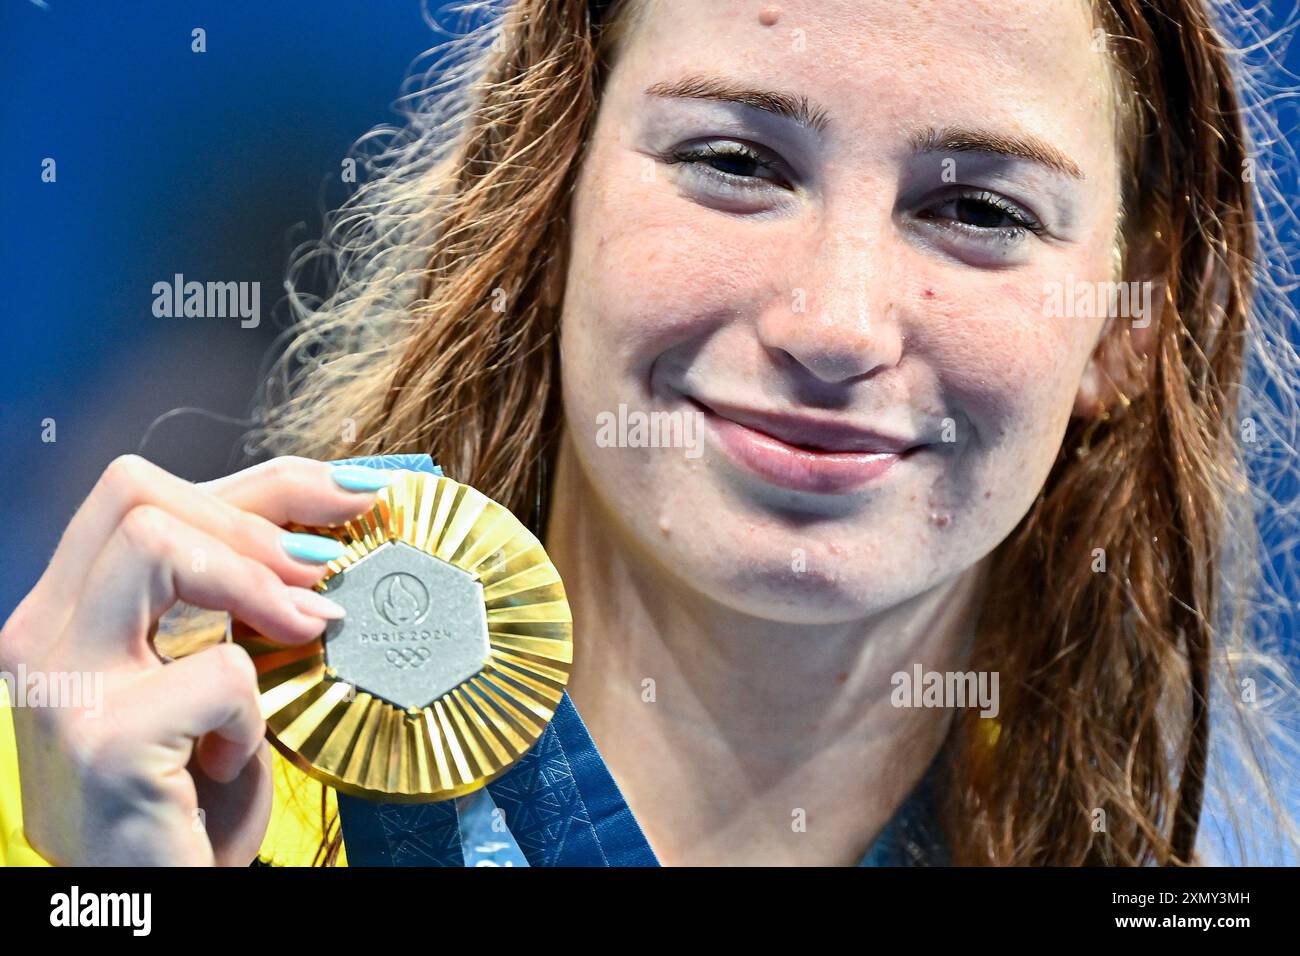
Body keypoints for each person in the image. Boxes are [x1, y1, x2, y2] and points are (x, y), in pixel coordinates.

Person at [1, 0, 1297, 866]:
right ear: (548, 196)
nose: (836, 322)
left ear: (1133, 324)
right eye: (735, 162)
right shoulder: (95, 795)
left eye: (980, 209)